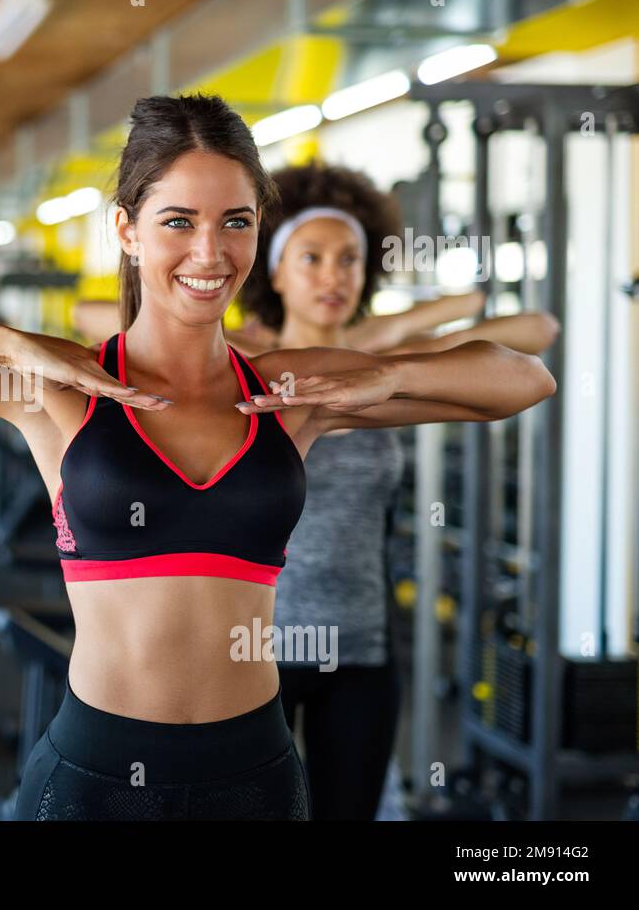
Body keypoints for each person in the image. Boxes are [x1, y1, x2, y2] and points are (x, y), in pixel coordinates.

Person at [0, 92, 556, 820]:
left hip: (254, 773)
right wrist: (4, 339)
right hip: (98, 774)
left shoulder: (290, 390)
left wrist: (386, 372)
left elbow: (523, 378)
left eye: (236, 222)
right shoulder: (61, 387)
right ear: (126, 229)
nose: (210, 252)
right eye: (179, 221)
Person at [237, 162, 559, 820]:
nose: (334, 275)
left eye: (350, 259)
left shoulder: (385, 364)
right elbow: (99, 313)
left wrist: (378, 343)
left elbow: (537, 332)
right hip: (256, 642)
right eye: (313, 258)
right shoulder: (244, 356)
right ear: (273, 270)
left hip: (362, 643)